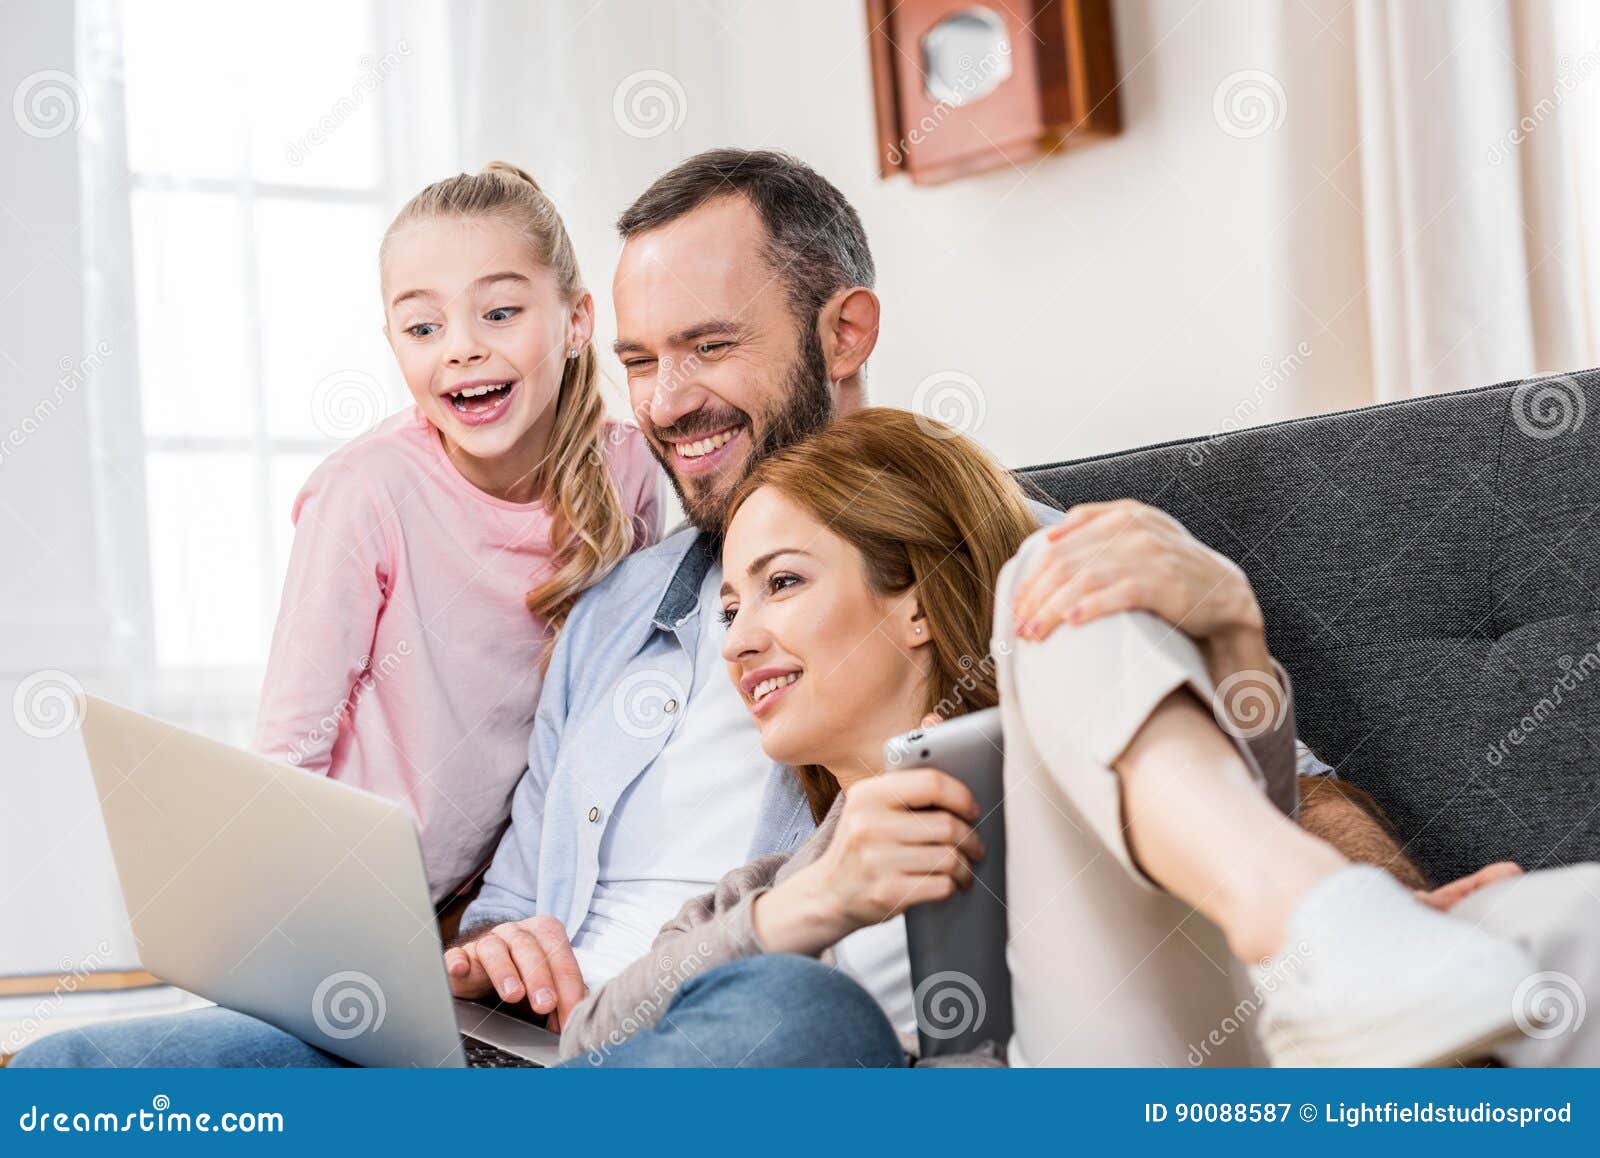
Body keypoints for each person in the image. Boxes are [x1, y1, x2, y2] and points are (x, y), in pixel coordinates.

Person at [7, 150, 1378, 1067]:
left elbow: (1258, 788)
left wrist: (1398, 908)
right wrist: (492, 951)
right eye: (646, 359)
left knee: (792, 1008)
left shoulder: (989, 551)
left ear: (845, 332)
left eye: (713, 347)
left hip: (732, 1042)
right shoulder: (611, 609)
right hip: (519, 1058)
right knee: (91, 1076)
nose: (666, 402)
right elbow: (527, 906)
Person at [552, 408, 1598, 1069]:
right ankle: (1347, 936)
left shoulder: (1126, 760)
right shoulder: (760, 894)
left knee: (1559, 925)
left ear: (914, 604)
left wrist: (1230, 635)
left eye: (781, 583)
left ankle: (1346, 936)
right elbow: (591, 1053)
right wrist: (812, 905)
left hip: (1237, 1063)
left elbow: (1250, 823)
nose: (740, 640)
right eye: (728, 609)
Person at [253, 162, 660, 902]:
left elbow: (620, 707)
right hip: (343, 894)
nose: (461, 347)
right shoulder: (365, 492)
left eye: (500, 312)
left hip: (503, 900)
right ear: (394, 344)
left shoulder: (628, 467)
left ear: (576, 322)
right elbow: (288, 752)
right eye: (422, 326)